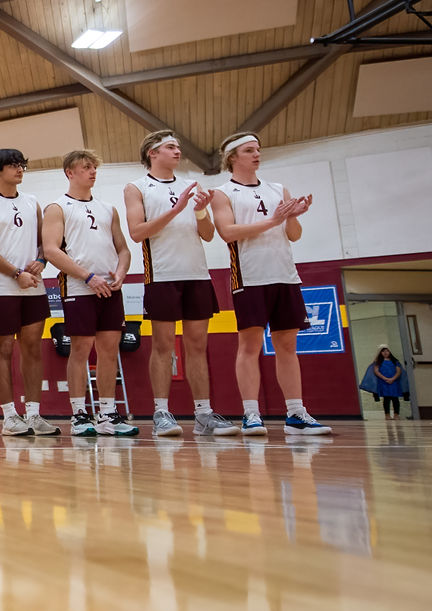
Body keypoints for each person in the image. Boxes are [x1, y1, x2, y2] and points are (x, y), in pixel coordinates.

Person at [209, 131, 331, 435]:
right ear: (233, 157)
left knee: (287, 346)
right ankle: (251, 414)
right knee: (249, 346)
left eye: (258, 150)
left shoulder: (278, 189)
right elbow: (227, 232)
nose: (257, 154)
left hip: (285, 276)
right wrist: (273, 220)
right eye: (250, 150)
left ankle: (296, 413)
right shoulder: (223, 193)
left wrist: (293, 216)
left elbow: (294, 235)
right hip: (250, 277)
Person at [123, 130, 238, 437]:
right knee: (163, 347)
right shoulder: (136, 187)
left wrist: (199, 210)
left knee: (198, 347)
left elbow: (208, 234)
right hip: (162, 276)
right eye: (170, 147)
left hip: (197, 275)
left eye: (177, 147)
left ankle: (203, 415)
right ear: (152, 153)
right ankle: (161, 413)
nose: (178, 152)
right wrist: (175, 210)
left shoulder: (192, 185)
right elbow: (137, 232)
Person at [41, 150, 139, 437]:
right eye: (86, 167)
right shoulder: (57, 208)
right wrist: (87, 276)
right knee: (80, 350)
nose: (92, 171)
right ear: (70, 173)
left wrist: (121, 272)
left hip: (110, 288)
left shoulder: (109, 209)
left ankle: (107, 414)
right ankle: (79, 415)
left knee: (109, 349)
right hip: (78, 288)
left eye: (94, 167)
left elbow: (123, 249)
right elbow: (51, 250)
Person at [0, 149, 59, 436]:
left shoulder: (32, 202)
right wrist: (16, 273)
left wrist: (41, 260)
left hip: (33, 286)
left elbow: (46, 242)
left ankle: (33, 414)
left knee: (32, 348)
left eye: (22, 165)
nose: (20, 169)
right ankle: (9, 416)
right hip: (0, 286)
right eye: (13, 165)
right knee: (4, 348)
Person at [370, 345, 406, 420]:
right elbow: (376, 371)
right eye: (383, 351)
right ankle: (387, 415)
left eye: (387, 351)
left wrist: (392, 379)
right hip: (383, 382)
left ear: (390, 352)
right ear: (380, 352)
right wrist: (385, 378)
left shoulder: (395, 361)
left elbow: (398, 371)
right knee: (386, 398)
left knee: (395, 398)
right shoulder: (378, 362)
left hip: (394, 382)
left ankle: (396, 414)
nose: (385, 352)